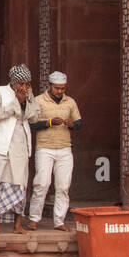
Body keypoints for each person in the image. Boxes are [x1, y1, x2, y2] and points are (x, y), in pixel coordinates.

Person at [27, 71, 81, 232]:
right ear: (49, 86)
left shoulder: (70, 102)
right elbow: (31, 124)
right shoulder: (38, 101)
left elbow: (79, 124)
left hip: (65, 148)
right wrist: (50, 122)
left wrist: (72, 125)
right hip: (44, 149)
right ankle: (33, 219)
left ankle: (59, 221)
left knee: (63, 187)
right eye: (57, 88)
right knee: (41, 184)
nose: (60, 91)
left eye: (62, 88)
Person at [0, 64, 39, 235]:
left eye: (27, 84)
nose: (24, 87)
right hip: (1, 145)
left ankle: (17, 226)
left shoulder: (29, 95)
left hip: (20, 146)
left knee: (20, 184)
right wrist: (15, 102)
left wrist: (25, 102)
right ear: (14, 82)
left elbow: (34, 117)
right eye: (21, 84)